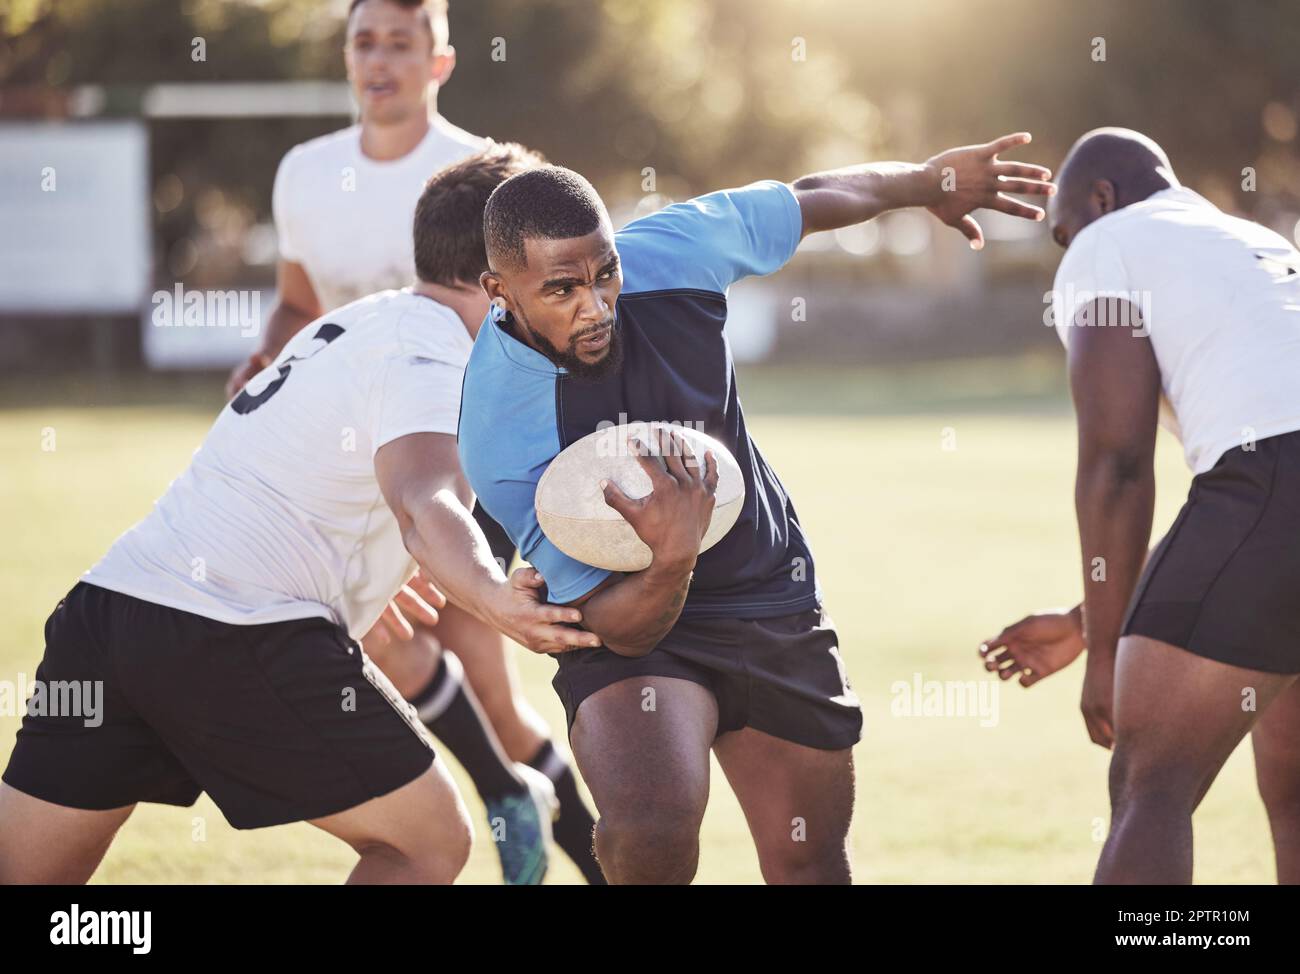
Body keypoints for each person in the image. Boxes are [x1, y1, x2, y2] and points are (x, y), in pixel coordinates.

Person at [458, 135, 1054, 883]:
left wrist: (926, 182)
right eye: (562, 290)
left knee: (809, 859)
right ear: (498, 291)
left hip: (766, 590)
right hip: (635, 629)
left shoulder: (675, 250)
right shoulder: (498, 428)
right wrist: (673, 554)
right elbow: (608, 621)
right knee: (650, 832)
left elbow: (811, 197)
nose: (596, 304)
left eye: (605, 273)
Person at [0, 143, 600, 886]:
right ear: (499, 275)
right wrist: (496, 601)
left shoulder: (365, 322)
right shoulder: (437, 350)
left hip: (111, 613)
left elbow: (340, 483)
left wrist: (378, 563)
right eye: (556, 273)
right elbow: (425, 500)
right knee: (429, 843)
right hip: (236, 627)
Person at [226, 0, 604, 884]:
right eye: (365, 42)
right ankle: (510, 796)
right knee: (393, 647)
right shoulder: (305, 173)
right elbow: (299, 302)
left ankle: (568, 836)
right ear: (347, 57)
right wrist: (267, 357)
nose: (380, 60)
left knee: (488, 693)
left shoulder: (484, 179)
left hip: (463, 449)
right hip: (353, 458)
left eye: (403, 43)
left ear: (440, 62)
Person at [980, 127, 1300, 884]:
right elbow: (1240, 551)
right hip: (1275, 498)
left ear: (1101, 198)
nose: (1066, 252)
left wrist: (1107, 652)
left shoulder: (1111, 241)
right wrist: (1097, 616)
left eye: (1064, 235)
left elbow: (1120, 464)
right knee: (1294, 785)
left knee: (1152, 783)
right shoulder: (1258, 242)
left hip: (1274, 488)